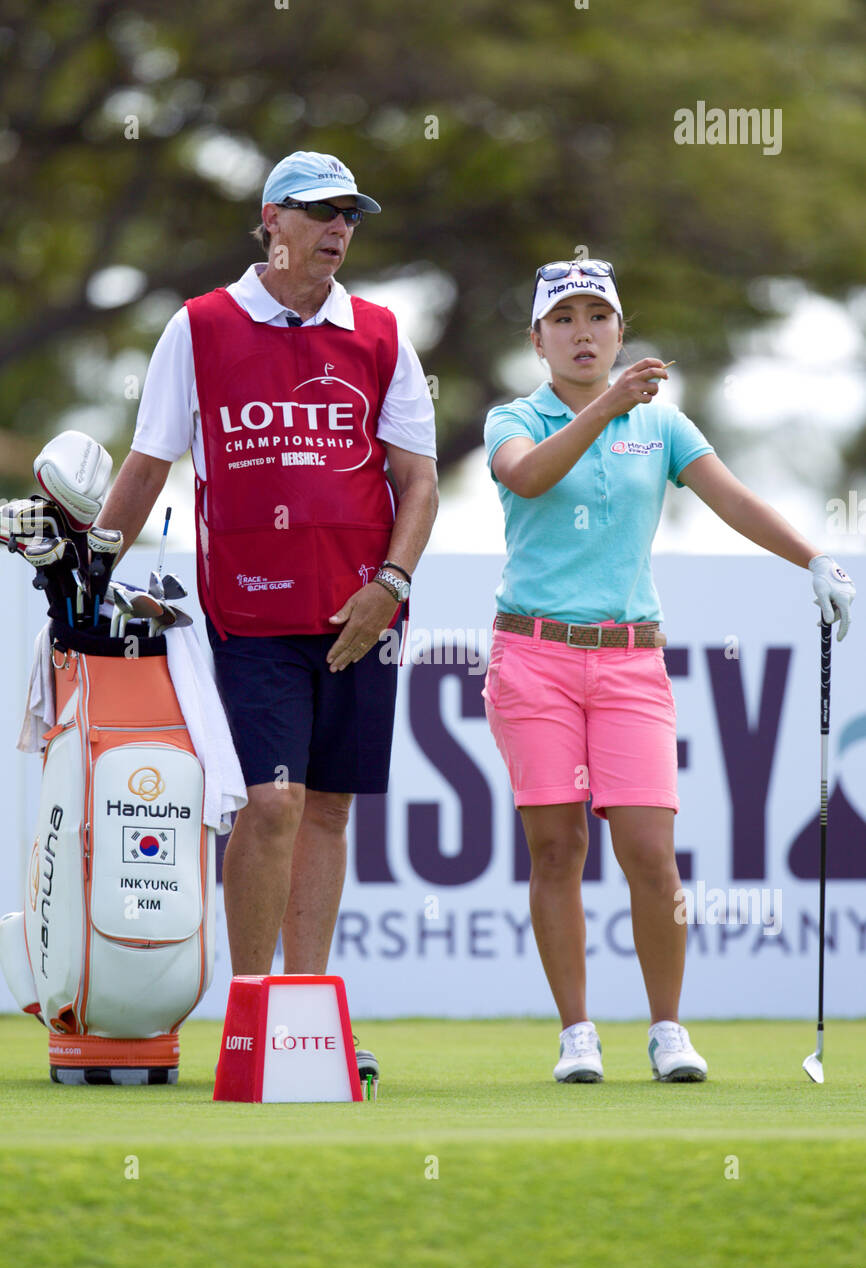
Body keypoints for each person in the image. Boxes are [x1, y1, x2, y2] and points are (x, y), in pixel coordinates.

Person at [98, 151, 439, 1083]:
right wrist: (94, 571)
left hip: (364, 614)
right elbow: (148, 464)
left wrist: (392, 583)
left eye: (350, 217)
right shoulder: (200, 326)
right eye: (320, 213)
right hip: (248, 617)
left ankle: (304, 1020)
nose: (338, 230)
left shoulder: (380, 332)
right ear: (271, 220)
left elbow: (417, 480)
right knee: (271, 801)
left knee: (326, 809)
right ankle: (252, 1015)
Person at [482, 257, 855, 1084]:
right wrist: (610, 406)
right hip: (533, 656)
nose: (584, 333)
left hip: (629, 659)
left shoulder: (665, 426)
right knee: (556, 848)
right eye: (565, 319)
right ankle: (577, 1033)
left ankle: (667, 1029)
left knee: (651, 851)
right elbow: (528, 476)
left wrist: (814, 559)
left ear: (620, 329)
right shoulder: (514, 417)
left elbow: (733, 498)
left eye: (598, 318)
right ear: (538, 338)